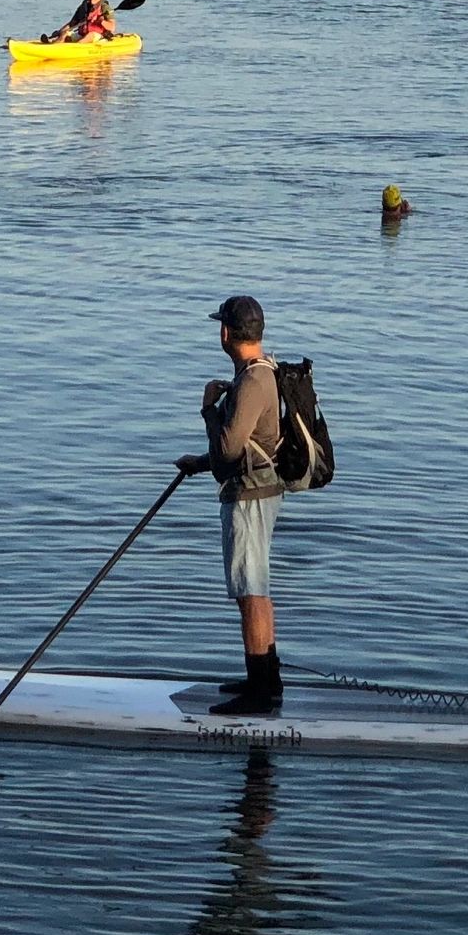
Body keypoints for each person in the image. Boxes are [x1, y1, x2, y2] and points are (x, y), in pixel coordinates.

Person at [176, 296, 286, 715]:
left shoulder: (252, 381)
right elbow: (238, 451)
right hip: (261, 490)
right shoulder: (263, 373)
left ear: (226, 333)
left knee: (249, 590)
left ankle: (259, 694)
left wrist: (207, 409)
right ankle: (266, 679)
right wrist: (198, 463)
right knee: (255, 587)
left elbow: (227, 454)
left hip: (249, 497)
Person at [45, 0, 116, 44]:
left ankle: (75, 49)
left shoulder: (105, 8)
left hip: (100, 36)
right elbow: (71, 24)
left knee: (90, 35)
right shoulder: (83, 7)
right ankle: (54, 45)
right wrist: (60, 31)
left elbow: (112, 27)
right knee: (65, 34)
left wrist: (101, 21)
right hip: (82, 34)